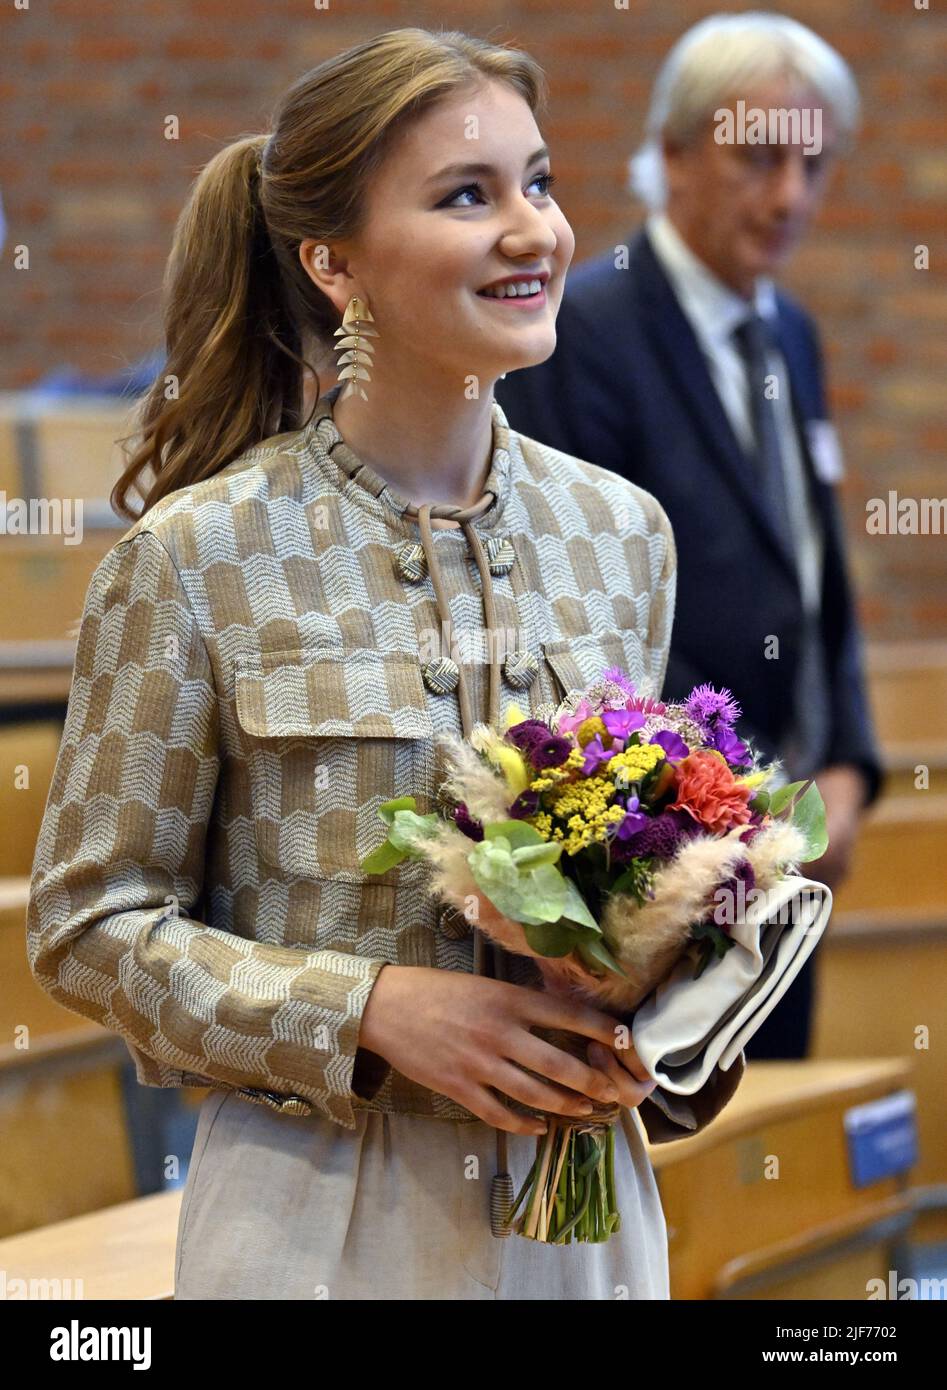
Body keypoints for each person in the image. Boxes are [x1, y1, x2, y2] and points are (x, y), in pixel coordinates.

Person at [26, 27, 744, 1301]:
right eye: (467, 196)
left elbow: (646, 877)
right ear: (333, 262)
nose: (532, 230)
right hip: (319, 1212)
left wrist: (678, 957)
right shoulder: (197, 553)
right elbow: (88, 925)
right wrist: (363, 1010)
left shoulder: (621, 532)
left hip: (588, 1213)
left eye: (538, 181)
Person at [496, 11, 884, 1062]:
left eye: (811, 162)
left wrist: (843, 762)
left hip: (787, 854)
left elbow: (808, 565)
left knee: (768, 1173)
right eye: (757, 156)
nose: (788, 194)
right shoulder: (587, 329)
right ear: (669, 153)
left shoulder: (787, 331)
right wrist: (704, 817)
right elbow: (580, 613)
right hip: (664, 864)